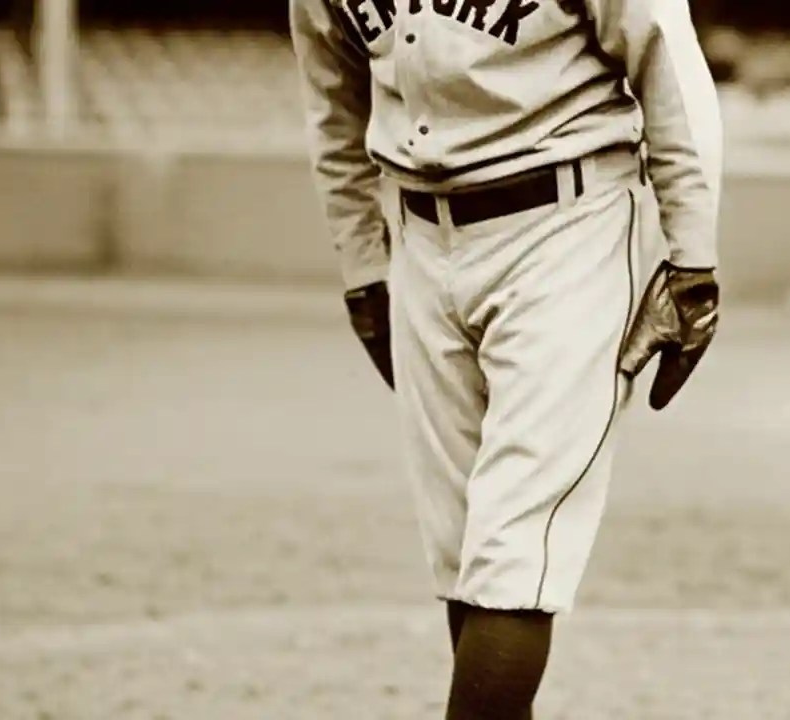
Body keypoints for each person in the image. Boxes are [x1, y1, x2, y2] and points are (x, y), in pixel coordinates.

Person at [289, 0, 722, 716]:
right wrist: (363, 264)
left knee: (516, 545)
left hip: (566, 228)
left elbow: (667, 66)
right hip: (418, 237)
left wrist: (691, 261)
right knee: (463, 551)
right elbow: (331, 98)